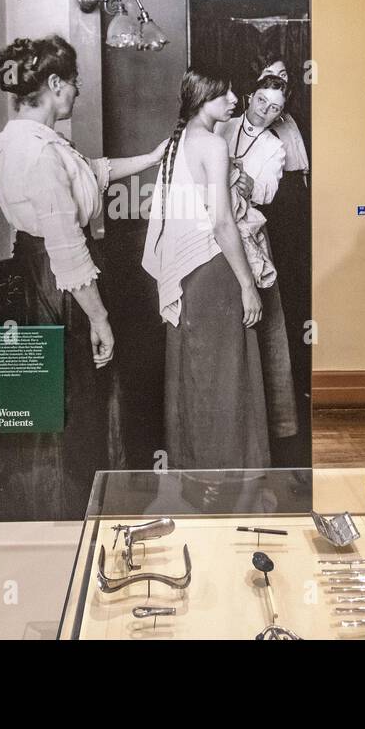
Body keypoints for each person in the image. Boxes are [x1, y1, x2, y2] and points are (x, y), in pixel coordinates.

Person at [0, 34, 167, 519]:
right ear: (53, 84)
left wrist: (152, 160)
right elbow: (67, 248)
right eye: (73, 83)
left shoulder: (24, 140)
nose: (78, 91)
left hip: (39, 273)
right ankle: (81, 510)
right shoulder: (39, 153)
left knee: (56, 400)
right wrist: (100, 317)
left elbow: (92, 172)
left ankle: (76, 505)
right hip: (59, 283)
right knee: (79, 399)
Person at [142, 69, 275, 470]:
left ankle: (197, 474)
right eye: (227, 92)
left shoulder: (178, 142)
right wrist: (248, 286)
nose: (236, 99)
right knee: (225, 377)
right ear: (204, 95)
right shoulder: (212, 145)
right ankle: (228, 477)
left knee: (197, 373)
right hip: (215, 268)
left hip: (188, 274)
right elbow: (220, 222)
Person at [219, 68, 301, 450]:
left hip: (249, 227)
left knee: (263, 323)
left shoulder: (275, 147)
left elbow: (264, 194)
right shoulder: (223, 123)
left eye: (275, 109)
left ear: (280, 115)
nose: (265, 112)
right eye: (262, 102)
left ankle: (266, 425)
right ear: (250, 97)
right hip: (214, 225)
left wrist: (234, 175)